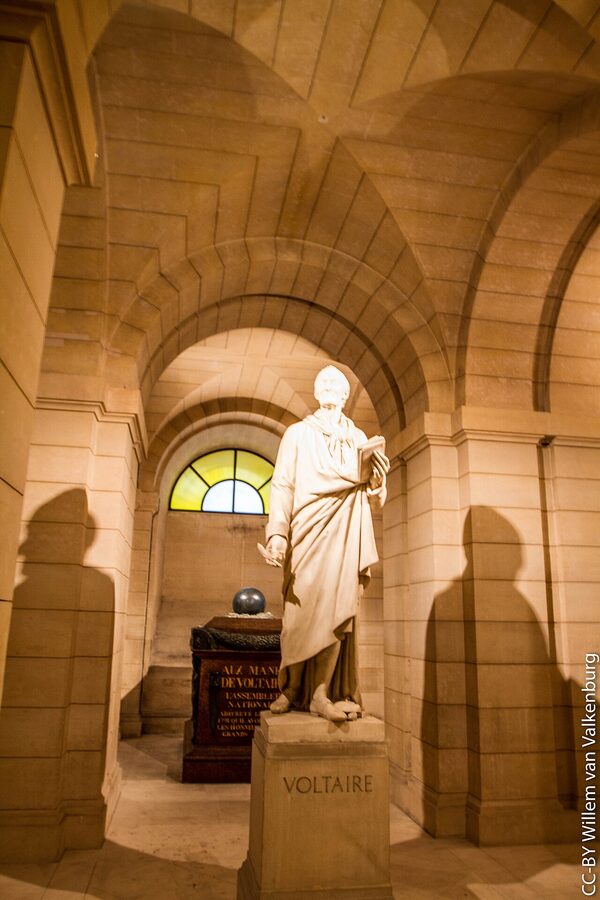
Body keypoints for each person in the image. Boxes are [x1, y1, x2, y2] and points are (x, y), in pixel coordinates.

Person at [259, 365, 389, 722]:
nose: (330, 387)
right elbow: (282, 484)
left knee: (338, 611)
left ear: (345, 396)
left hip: (345, 530)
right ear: (317, 392)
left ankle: (320, 693)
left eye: (337, 384)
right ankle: (291, 688)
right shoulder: (298, 434)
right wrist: (277, 534)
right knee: (299, 616)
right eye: (325, 383)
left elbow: (372, 491)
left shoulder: (358, 437)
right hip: (307, 530)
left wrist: (378, 482)